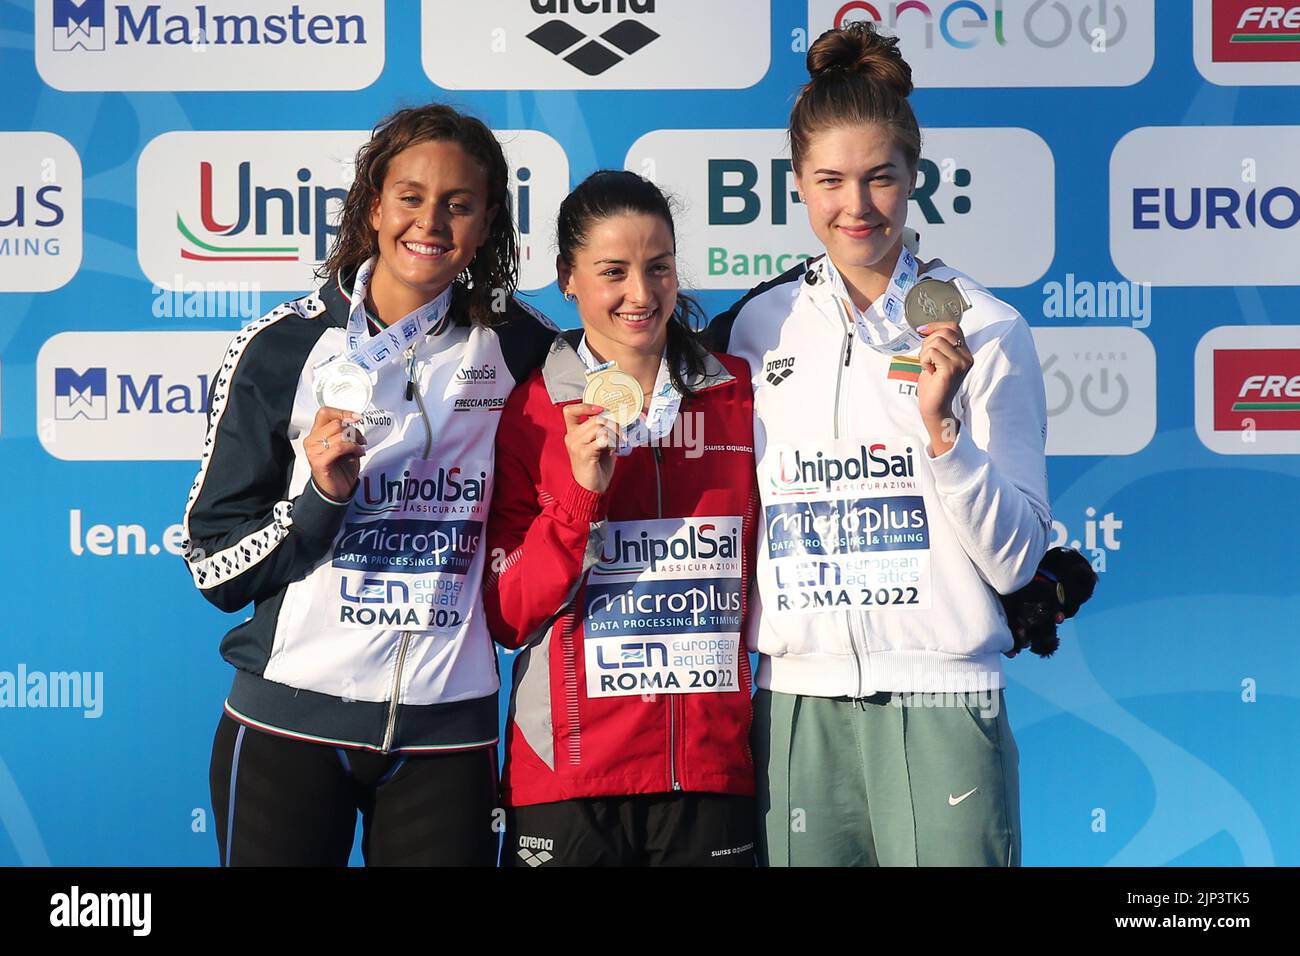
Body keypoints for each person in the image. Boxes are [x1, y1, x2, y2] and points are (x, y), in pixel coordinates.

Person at [707, 22, 1051, 866]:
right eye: (829, 181)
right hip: (797, 702)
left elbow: (1015, 562)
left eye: (878, 179)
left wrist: (944, 436)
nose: (855, 208)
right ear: (796, 183)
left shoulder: (987, 329)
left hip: (944, 696)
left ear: (913, 178)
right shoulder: (756, 328)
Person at [182, 104, 556, 866]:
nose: (432, 221)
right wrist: (319, 498)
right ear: (374, 206)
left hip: (448, 733)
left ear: (488, 224)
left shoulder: (525, 348)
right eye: (411, 197)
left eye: (460, 204)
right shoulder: (281, 348)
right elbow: (212, 564)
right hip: (289, 726)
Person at [483, 170, 759, 866]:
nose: (641, 294)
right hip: (571, 779)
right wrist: (579, 499)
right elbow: (508, 615)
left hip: (708, 770)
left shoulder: (737, 396)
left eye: (658, 267)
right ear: (566, 279)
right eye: (614, 271)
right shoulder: (532, 413)